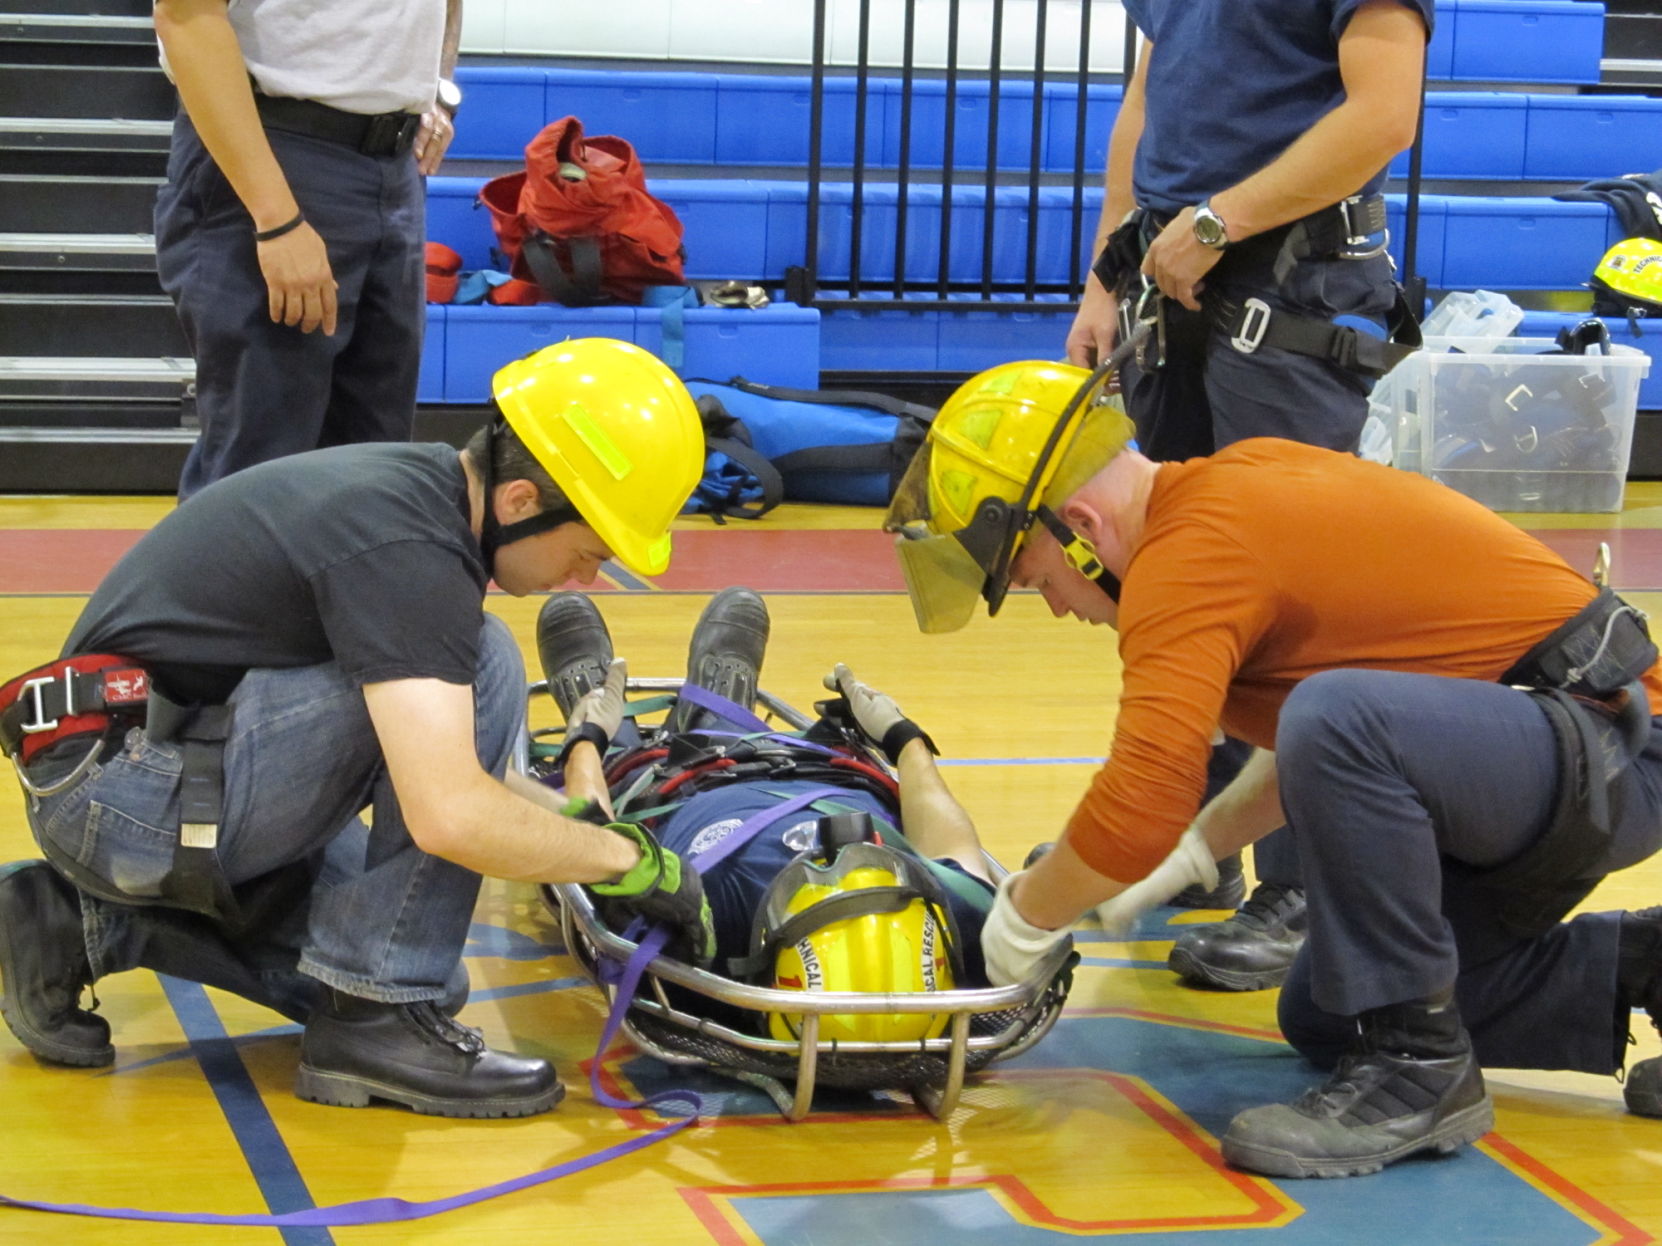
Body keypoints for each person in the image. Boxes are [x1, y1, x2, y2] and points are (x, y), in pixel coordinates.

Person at [885, 355, 1662, 1178]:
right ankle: (1640, 965)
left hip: (1618, 747)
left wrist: (1019, 921)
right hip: (1558, 753)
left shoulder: (1190, 555)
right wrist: (1188, 855)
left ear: (1081, 527)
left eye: (1034, 578)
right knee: (1332, 1012)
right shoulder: (1222, 494)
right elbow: (1313, 748)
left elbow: (1157, 789)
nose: (1055, 606)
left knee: (1338, 718)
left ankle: (1420, 1073)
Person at [0, 339, 708, 1120]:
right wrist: (623, 863)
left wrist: (570, 823)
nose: (584, 581)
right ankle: (375, 1025)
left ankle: (80, 925)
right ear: (519, 502)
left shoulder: (418, 498)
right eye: (586, 554)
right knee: (478, 669)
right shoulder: (411, 554)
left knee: (423, 979)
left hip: (138, 768)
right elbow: (449, 811)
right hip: (129, 792)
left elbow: (445, 760)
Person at [1058, 0, 1434, 990]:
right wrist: (1107, 272)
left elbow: (1385, 112)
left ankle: (1305, 884)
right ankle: (1191, 836)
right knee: (1169, 572)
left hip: (1292, 282)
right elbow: (1150, 88)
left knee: (1299, 599)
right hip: (1172, 278)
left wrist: (1222, 222)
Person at [535, 587, 1006, 1016]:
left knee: (624, 756)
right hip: (805, 766)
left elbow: (595, 842)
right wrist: (902, 737)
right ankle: (717, 699)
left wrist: (586, 740)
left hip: (663, 786)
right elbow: (956, 851)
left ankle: (597, 701)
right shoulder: (953, 924)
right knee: (724, 726)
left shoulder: (707, 921)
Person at [153, 0, 465, 499]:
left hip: (394, 167)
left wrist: (438, 91)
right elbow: (186, 18)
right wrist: (276, 220)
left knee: (370, 472)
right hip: (279, 151)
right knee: (259, 473)